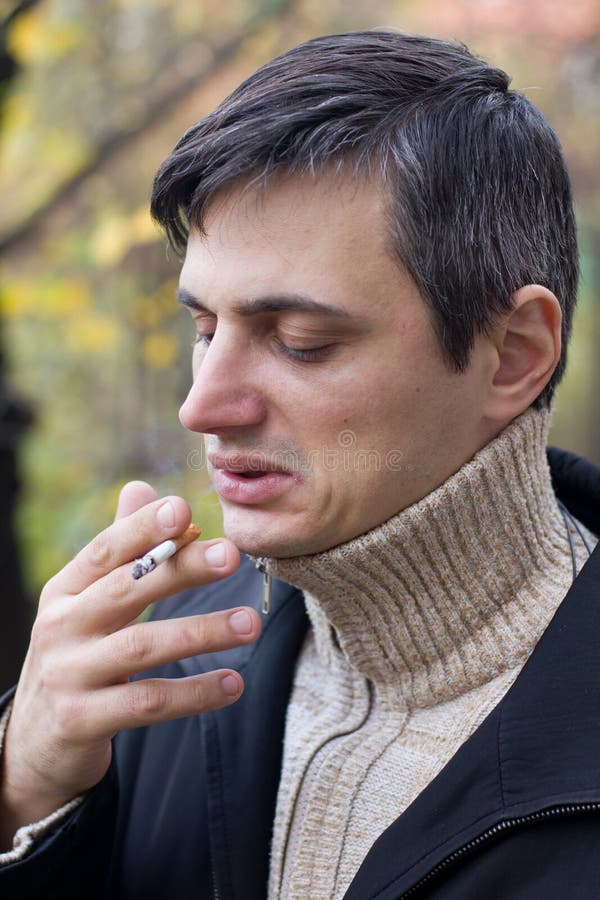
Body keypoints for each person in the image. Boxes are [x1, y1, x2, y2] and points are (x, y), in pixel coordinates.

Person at [1, 29, 599, 900]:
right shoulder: (152, 667)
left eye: (301, 341)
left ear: (512, 355)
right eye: (204, 330)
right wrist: (26, 799)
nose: (203, 405)